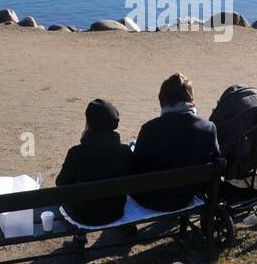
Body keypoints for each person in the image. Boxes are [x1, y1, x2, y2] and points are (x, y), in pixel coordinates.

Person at [132, 73, 220, 211]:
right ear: (190, 99)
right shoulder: (208, 128)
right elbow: (216, 160)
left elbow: (136, 166)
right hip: (186, 197)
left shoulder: (150, 129)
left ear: (163, 100)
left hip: (149, 199)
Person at [55, 99, 134, 225]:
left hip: (84, 216)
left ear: (88, 124)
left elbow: (60, 183)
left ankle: (79, 237)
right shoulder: (124, 151)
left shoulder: (76, 153)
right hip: (116, 211)